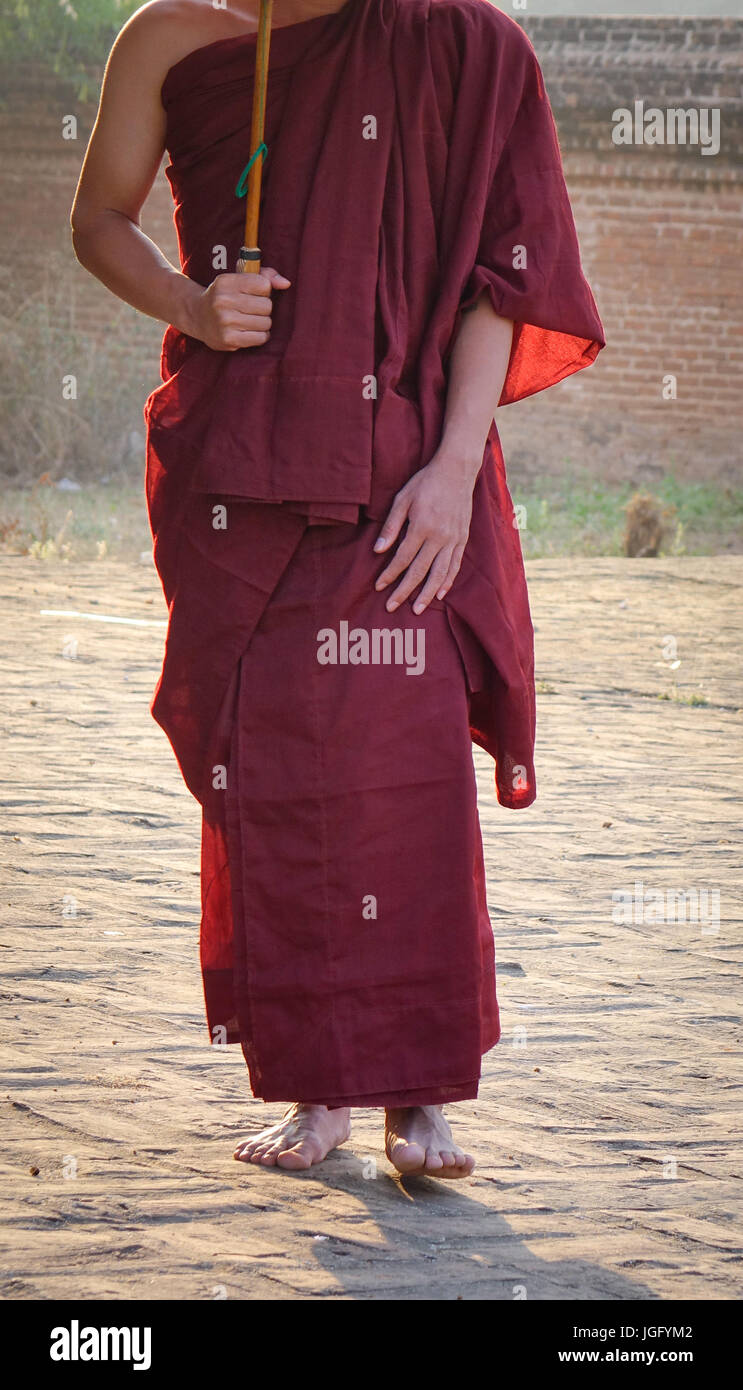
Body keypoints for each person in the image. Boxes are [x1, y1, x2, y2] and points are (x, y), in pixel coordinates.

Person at [71, 0, 604, 1178]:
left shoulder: (464, 42)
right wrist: (189, 304)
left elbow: (497, 280)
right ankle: (312, 1091)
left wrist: (456, 470)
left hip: (402, 476)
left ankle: (418, 1101)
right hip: (245, 476)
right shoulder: (171, 36)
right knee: (274, 780)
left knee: (405, 777)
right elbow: (98, 220)